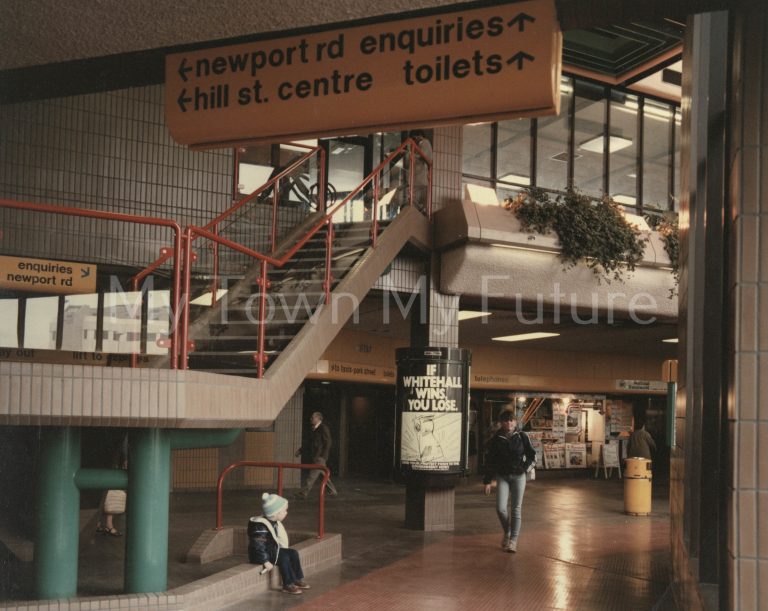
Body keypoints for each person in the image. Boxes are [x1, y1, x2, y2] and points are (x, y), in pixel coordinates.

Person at [483, 410, 536, 553]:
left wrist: (524, 469)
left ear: (515, 422)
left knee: (516, 509)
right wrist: (487, 481)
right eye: (506, 420)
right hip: (503, 477)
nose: (509, 423)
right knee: (500, 508)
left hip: (519, 477)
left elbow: (532, 456)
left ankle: (513, 540)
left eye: (511, 420)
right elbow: (490, 461)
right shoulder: (496, 438)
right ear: (501, 423)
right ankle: (507, 531)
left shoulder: (522, 436)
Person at [247, 492, 310, 595]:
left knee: (293, 553)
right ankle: (287, 584)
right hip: (261, 555)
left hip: (271, 550)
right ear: (275, 514)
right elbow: (258, 545)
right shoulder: (260, 526)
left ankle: (296, 578)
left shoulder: (274, 522)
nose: (286, 513)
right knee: (283, 557)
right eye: (284, 511)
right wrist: (265, 561)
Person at [294, 411, 338, 498]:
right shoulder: (313, 429)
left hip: (319, 457)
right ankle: (333, 491)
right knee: (323, 475)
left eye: (313, 417)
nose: (311, 419)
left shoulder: (323, 428)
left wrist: (322, 456)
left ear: (318, 418)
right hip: (316, 456)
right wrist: (300, 450)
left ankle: (303, 493)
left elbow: (328, 442)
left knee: (312, 476)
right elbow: (308, 443)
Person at [406, 130, 432, 213]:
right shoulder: (421, 144)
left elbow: (423, 156)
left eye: (414, 138)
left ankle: (418, 211)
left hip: (420, 176)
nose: (415, 140)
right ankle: (419, 211)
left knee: (413, 197)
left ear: (419, 135)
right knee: (414, 197)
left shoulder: (424, 142)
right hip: (420, 177)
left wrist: (410, 154)